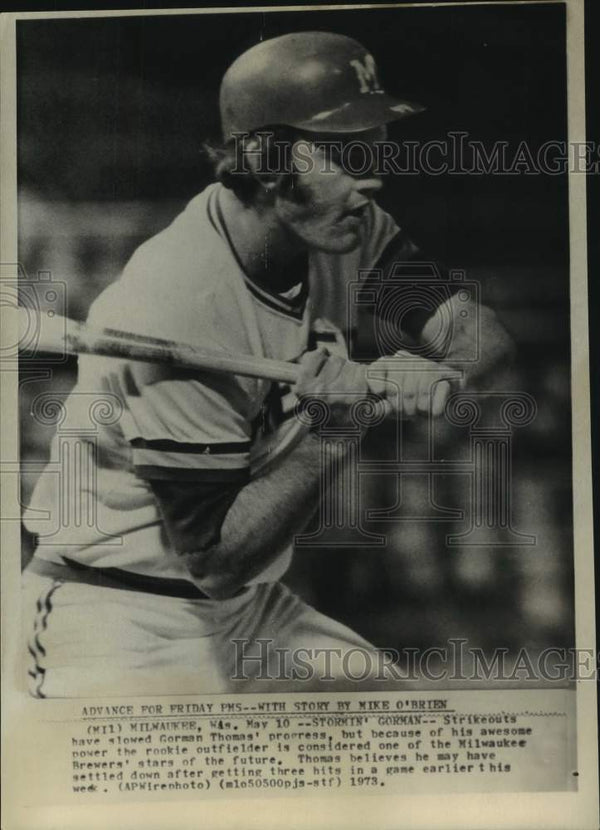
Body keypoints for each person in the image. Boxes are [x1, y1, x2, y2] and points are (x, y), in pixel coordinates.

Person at [22, 32, 513, 697]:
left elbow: (481, 332)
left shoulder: (349, 228)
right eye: (343, 152)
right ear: (263, 161)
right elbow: (217, 559)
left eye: (373, 143)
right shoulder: (174, 300)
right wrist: (339, 426)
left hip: (250, 611)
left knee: (412, 741)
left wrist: (441, 370)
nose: (374, 175)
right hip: (116, 618)